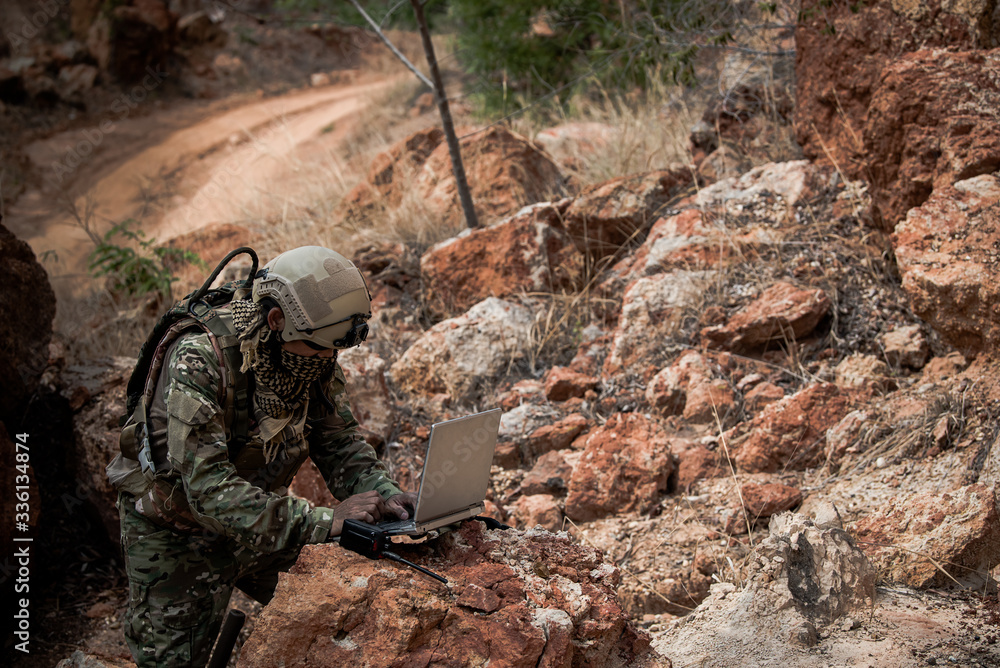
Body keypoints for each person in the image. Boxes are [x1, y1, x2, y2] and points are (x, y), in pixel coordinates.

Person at [106, 246, 416, 667]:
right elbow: (209, 491)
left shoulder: (312, 357)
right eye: (322, 348)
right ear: (276, 321)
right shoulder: (199, 360)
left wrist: (386, 496)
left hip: (264, 521)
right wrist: (324, 521)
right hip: (177, 536)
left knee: (340, 620)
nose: (331, 360)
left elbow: (340, 445)